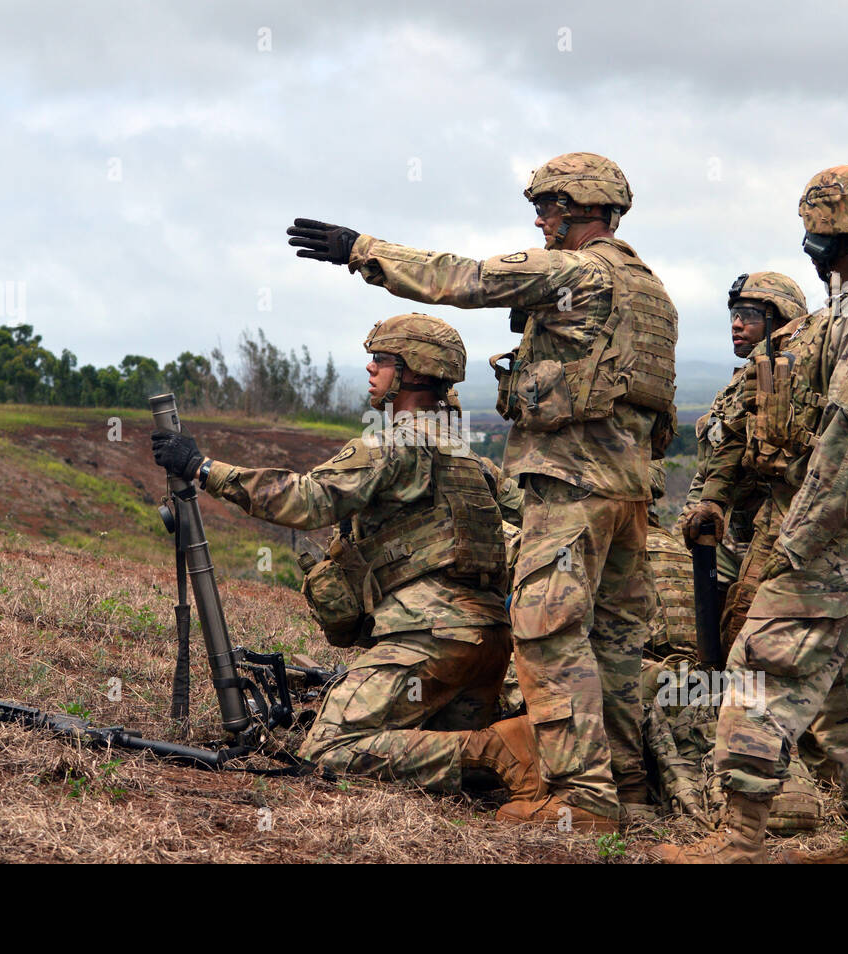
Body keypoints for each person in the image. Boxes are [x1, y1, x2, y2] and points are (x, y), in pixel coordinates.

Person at [288, 152, 678, 831]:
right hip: (633, 492)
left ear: (580, 208)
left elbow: (462, 279)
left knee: (548, 632)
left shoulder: (575, 271)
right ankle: (630, 794)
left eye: (549, 208)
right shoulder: (654, 292)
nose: (539, 220)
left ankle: (581, 800)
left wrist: (361, 251)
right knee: (614, 641)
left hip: (570, 483)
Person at [151, 314, 540, 801]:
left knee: (330, 749)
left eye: (382, 359)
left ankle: (494, 747)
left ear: (413, 371)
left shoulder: (393, 442)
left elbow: (306, 499)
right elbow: (538, 521)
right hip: (486, 646)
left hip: (428, 639)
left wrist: (203, 468)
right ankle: (508, 751)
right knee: (437, 762)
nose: (370, 367)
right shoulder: (472, 460)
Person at [655, 164, 848, 863]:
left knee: (760, 667)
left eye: (813, 229)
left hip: (836, 534)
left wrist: (793, 548)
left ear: (829, 235)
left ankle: (738, 843)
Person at [680, 272, 807, 655]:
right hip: (725, 533)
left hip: (768, 536)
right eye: (734, 314)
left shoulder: (791, 378)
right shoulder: (742, 382)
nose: (737, 324)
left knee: (749, 643)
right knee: (710, 634)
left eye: (750, 315)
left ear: (780, 318)